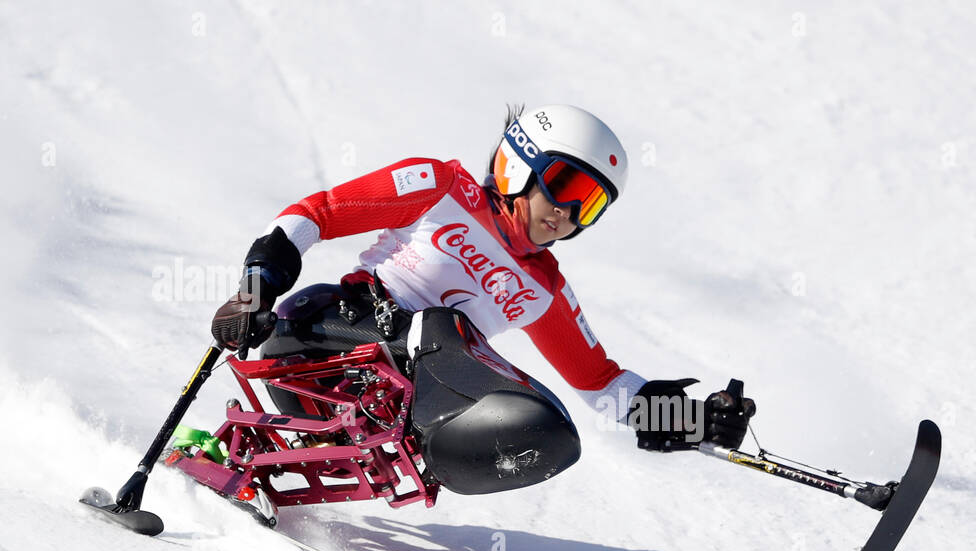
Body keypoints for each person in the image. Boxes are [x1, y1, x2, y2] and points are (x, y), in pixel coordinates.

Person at [209, 104, 755, 494]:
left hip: (402, 396)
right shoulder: (442, 188)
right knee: (447, 326)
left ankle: (318, 461)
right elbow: (318, 213)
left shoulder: (545, 289)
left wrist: (688, 420)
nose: (566, 211)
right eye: (563, 184)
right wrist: (255, 290)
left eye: (589, 203)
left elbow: (599, 382)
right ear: (520, 163)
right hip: (321, 338)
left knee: (546, 424)